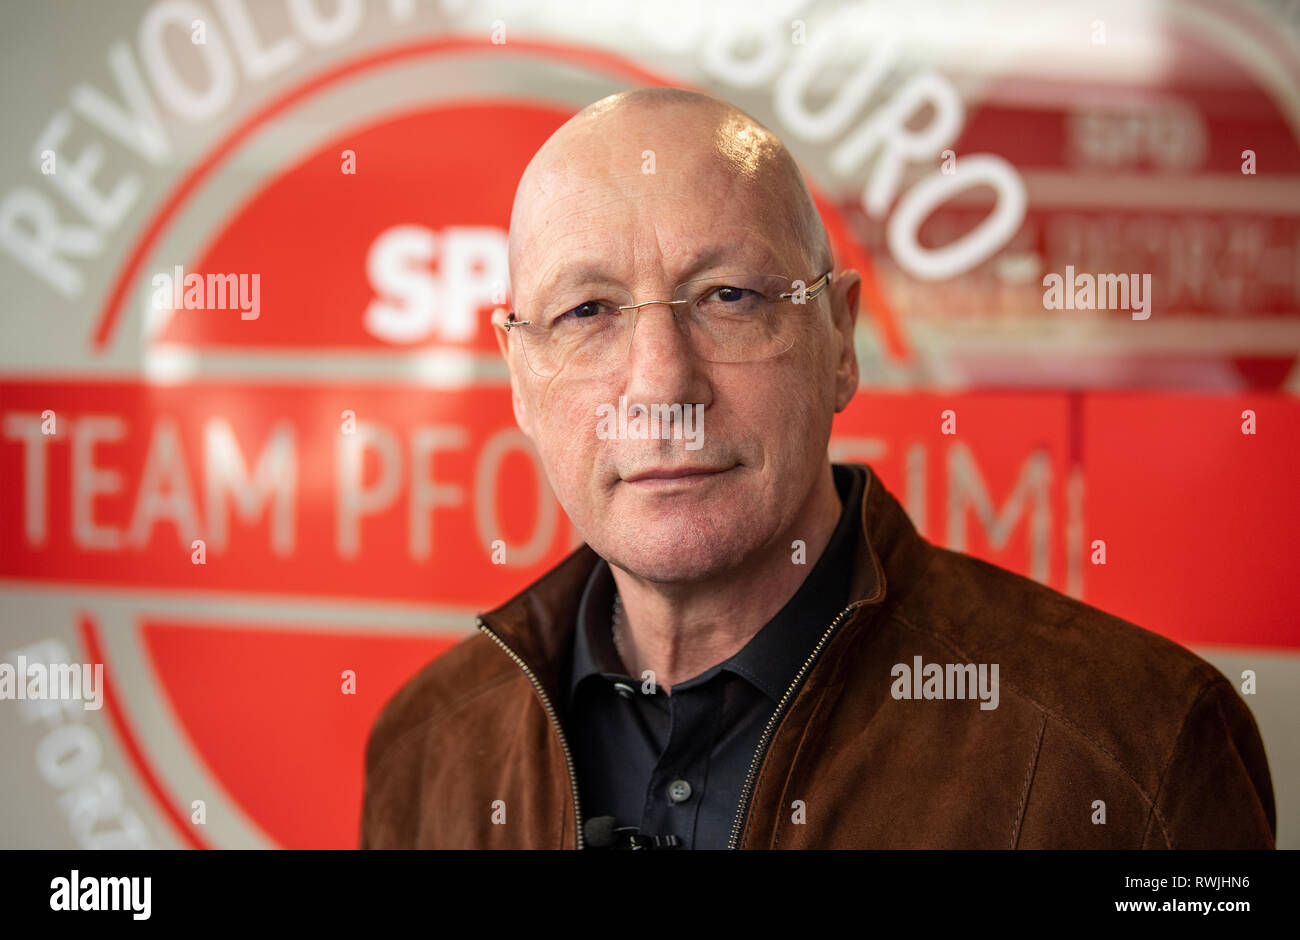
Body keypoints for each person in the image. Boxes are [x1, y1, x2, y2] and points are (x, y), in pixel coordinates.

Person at [360, 87, 1274, 849]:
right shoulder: (428, 751)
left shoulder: (1137, 754)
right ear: (519, 374)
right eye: (588, 311)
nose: (661, 383)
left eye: (728, 296)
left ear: (838, 339)